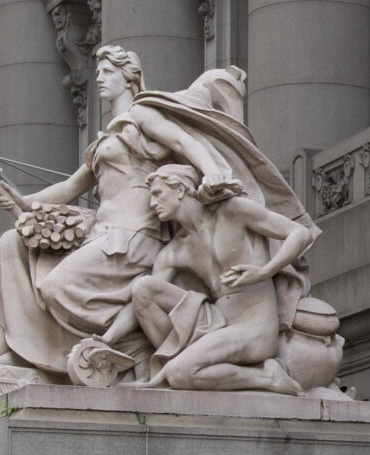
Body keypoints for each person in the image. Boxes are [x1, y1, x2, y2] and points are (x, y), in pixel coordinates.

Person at [0, 49, 303, 397]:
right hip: (99, 234)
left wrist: (212, 172)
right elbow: (69, 189)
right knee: (12, 244)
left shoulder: (141, 115)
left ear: (130, 77)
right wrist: (19, 199)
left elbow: (184, 142)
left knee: (55, 287)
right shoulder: (106, 138)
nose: (99, 78)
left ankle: (120, 350)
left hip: (133, 238)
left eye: (107, 71)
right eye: (98, 72)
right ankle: (27, 351)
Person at [96, 166, 318, 393]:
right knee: (143, 289)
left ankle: (268, 377)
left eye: (157, 194)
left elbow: (300, 233)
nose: (152, 203)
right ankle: (182, 360)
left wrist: (265, 271)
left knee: (179, 374)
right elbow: (138, 305)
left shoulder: (232, 211)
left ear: (180, 190)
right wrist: (106, 339)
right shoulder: (175, 251)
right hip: (216, 323)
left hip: (254, 327)